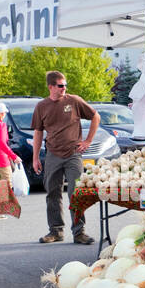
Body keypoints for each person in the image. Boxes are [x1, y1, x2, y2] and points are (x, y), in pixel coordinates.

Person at [31, 71, 98, 245]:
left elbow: (95, 116)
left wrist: (88, 141)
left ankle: (79, 232)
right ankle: (55, 231)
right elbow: (38, 132)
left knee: (76, 193)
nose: (64, 88)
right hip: (52, 154)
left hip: (73, 154)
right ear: (51, 87)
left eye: (65, 85)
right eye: (60, 85)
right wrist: (35, 157)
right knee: (52, 193)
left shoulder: (73, 100)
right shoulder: (41, 106)